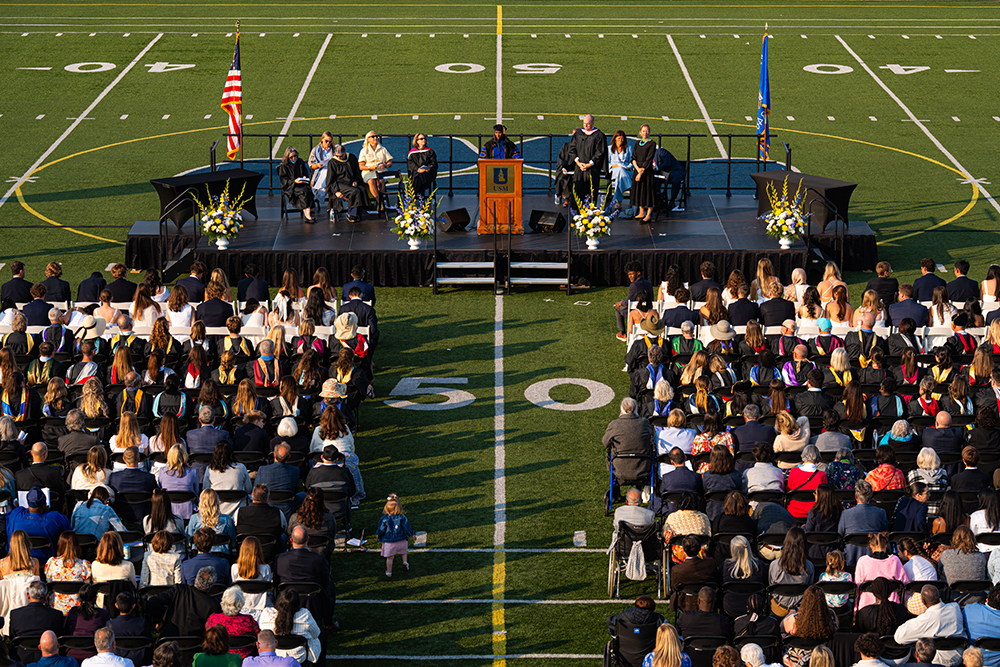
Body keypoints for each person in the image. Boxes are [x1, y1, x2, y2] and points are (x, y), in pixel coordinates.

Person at [274, 525, 338, 631]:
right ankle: (328, 623)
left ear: (291, 540)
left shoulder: (280, 559)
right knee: (330, 585)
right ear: (308, 539)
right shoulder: (319, 559)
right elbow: (325, 583)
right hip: (313, 601)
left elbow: (276, 583)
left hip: (287, 600)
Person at [895, 585, 967, 666]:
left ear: (923, 601)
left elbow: (899, 637)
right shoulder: (955, 607)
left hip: (937, 661)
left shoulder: (925, 620)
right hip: (958, 657)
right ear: (939, 595)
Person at [146, 567, 222, 636]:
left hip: (169, 638)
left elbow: (153, 602)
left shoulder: (179, 590)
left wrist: (159, 621)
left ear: (195, 580)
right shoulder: (213, 605)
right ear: (212, 587)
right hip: (195, 645)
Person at [257, 588, 321, 664]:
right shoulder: (305, 615)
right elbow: (316, 633)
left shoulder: (266, 614)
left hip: (275, 654)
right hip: (298, 656)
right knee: (318, 638)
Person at [7, 486, 70, 561]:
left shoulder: (16, 515)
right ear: (44, 505)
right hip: (48, 563)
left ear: (28, 503)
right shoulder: (56, 518)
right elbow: (68, 535)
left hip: (21, 562)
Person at [780, 586, 837, 667]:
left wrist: (794, 610)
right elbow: (836, 629)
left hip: (795, 660)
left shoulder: (795, 619)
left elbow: (782, 627)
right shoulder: (831, 616)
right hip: (820, 658)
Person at [9, 581, 64, 664]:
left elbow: (12, 636)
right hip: (47, 657)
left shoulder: (15, 614)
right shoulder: (56, 615)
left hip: (21, 657)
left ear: (28, 595)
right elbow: (58, 637)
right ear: (46, 597)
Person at [838, 480, 889, 565]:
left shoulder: (846, 514)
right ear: (871, 495)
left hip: (852, 557)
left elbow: (840, 535)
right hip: (875, 557)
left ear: (855, 496)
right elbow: (885, 533)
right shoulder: (881, 513)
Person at [855, 532, 909, 608]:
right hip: (892, 605)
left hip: (867, 605)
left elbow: (858, 586)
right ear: (886, 545)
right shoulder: (895, 560)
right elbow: (904, 583)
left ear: (871, 545)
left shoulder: (862, 561)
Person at [203, 588, 259, 660]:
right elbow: (257, 636)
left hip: (219, 656)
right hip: (243, 657)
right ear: (241, 603)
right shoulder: (248, 620)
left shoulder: (212, 619)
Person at [44, 531, 92, 614]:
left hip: (55, 606)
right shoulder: (84, 565)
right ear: (77, 545)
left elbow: (49, 582)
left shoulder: (51, 563)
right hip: (77, 608)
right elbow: (86, 587)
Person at [107, 446, 158, 523]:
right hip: (143, 515)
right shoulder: (149, 477)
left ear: (124, 460)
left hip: (122, 515)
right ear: (138, 459)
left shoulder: (114, 477)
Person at [721, 536, 767, 617]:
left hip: (731, 607)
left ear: (732, 549)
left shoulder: (725, 566)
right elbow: (766, 583)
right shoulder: (759, 566)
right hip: (754, 606)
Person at [64, 584, 111, 662]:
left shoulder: (73, 612)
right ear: (95, 598)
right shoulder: (102, 614)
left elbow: (65, 630)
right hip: (92, 655)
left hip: (71, 654)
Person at [567, 115, 606, 205]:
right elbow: (572, 149)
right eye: (584, 124)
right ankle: (576, 214)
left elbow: (600, 152)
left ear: (593, 123)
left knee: (591, 192)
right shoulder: (578, 134)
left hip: (592, 169)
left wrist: (590, 164)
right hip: (579, 168)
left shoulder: (599, 135)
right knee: (577, 191)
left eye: (588, 124)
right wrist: (578, 162)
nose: (585, 126)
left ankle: (590, 214)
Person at [108, 591, 152, 667]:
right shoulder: (142, 623)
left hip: (118, 661)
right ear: (133, 606)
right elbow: (150, 642)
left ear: (116, 605)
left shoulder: (110, 625)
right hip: (140, 660)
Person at [378, 493, 415, 577]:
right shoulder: (402, 518)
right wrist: (412, 534)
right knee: (404, 553)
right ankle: (405, 562)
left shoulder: (384, 519)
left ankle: (389, 572)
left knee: (390, 558)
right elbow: (407, 527)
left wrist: (378, 534)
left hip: (390, 542)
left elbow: (381, 529)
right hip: (401, 540)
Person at [325, 144, 365, 222]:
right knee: (355, 191)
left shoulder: (352, 158)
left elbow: (357, 172)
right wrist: (336, 191)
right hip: (339, 184)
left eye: (341, 156)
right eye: (337, 156)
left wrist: (356, 181)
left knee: (362, 190)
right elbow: (330, 180)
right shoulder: (332, 162)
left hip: (351, 183)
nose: (339, 158)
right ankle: (351, 214)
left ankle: (358, 214)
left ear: (345, 153)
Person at [786, 446, 828, 518]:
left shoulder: (794, 471)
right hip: (814, 513)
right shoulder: (822, 475)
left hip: (793, 511)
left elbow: (788, 490)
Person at [276, 146, 314, 222]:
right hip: (291, 186)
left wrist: (304, 178)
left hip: (302, 184)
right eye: (291, 157)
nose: (294, 158)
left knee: (308, 190)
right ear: (287, 157)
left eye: (295, 156)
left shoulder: (300, 162)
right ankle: (308, 216)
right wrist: (294, 181)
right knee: (303, 192)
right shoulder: (283, 166)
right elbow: (284, 180)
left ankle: (307, 215)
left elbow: (305, 173)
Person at [630, 125, 657, 221]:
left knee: (648, 192)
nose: (645, 133)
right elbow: (633, 158)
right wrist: (637, 169)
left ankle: (648, 214)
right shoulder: (637, 143)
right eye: (643, 131)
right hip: (637, 170)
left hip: (647, 172)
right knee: (639, 191)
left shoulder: (652, 143)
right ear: (640, 132)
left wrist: (640, 173)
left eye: (647, 131)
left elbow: (648, 160)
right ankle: (641, 212)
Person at [607, 130, 633, 206]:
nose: (620, 140)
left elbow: (632, 161)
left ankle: (618, 202)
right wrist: (613, 165)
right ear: (615, 139)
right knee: (619, 170)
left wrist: (628, 167)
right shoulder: (609, 148)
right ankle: (630, 186)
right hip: (614, 170)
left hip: (626, 170)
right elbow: (606, 162)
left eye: (622, 139)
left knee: (619, 178)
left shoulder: (628, 148)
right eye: (618, 138)